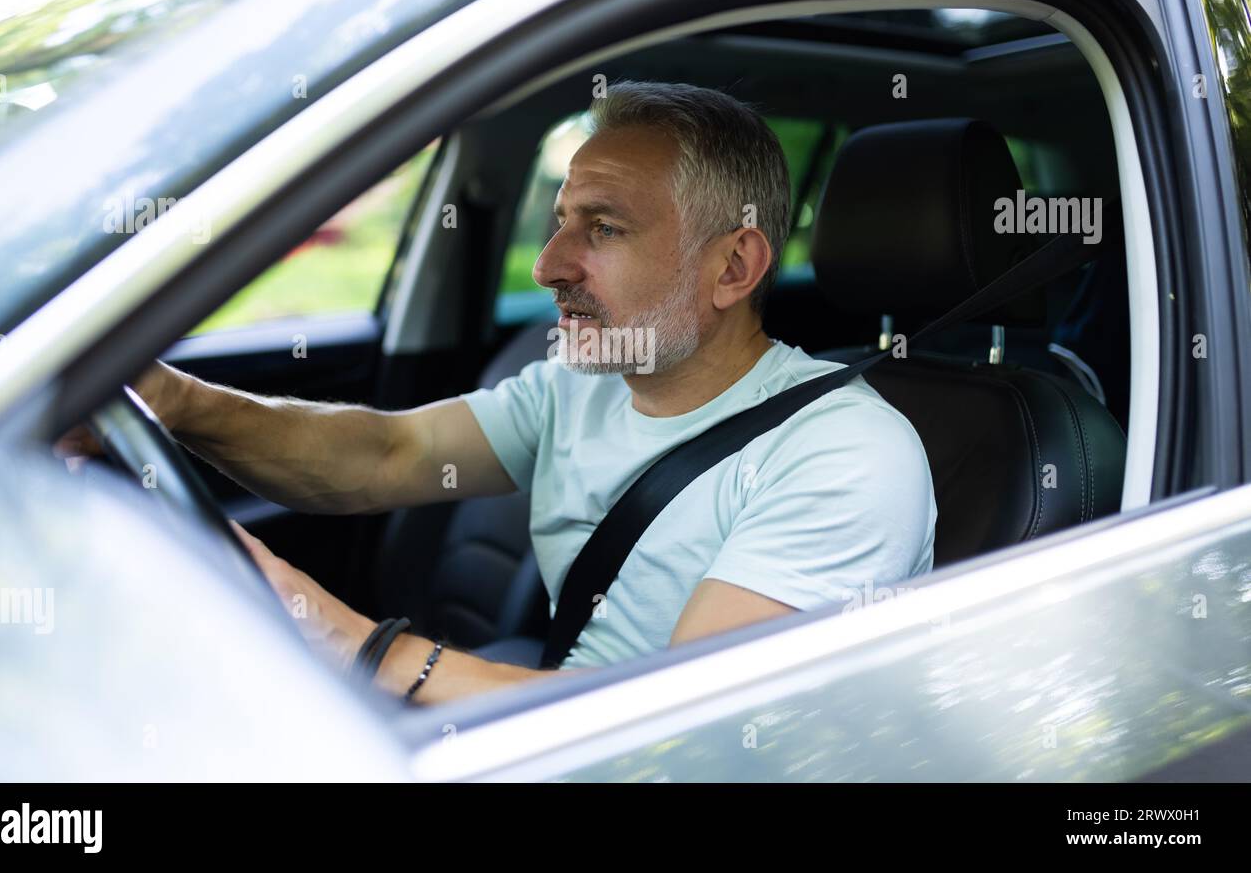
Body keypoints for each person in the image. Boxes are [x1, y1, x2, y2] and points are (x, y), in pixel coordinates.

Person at [120, 81, 936, 705]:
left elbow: (680, 730)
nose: (550, 264)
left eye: (604, 228)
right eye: (559, 220)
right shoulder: (578, 387)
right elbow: (384, 453)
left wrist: (351, 641)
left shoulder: (846, 452)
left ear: (733, 267)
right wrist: (172, 401)